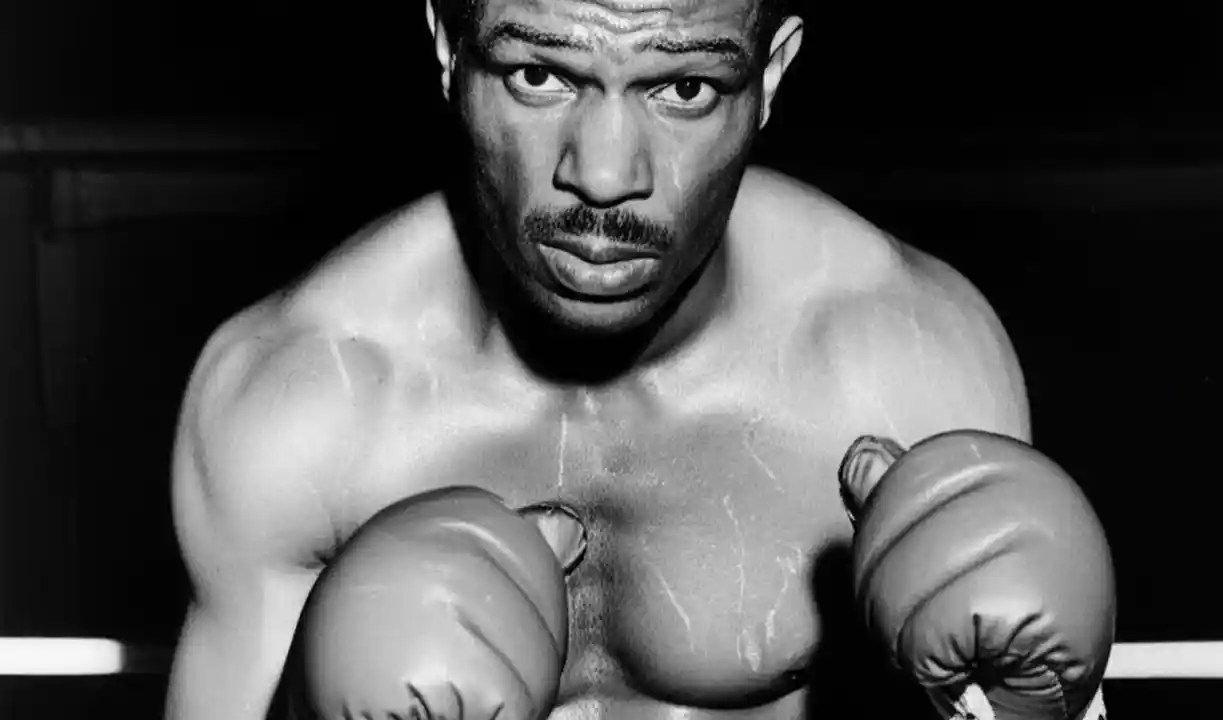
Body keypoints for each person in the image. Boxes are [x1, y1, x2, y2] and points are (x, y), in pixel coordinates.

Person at [164, 0, 1114, 718]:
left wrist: (1028, 716)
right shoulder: (298, 399)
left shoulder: (901, 365)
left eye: (685, 87)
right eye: (540, 75)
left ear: (772, 75)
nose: (608, 176)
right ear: (449, 52)